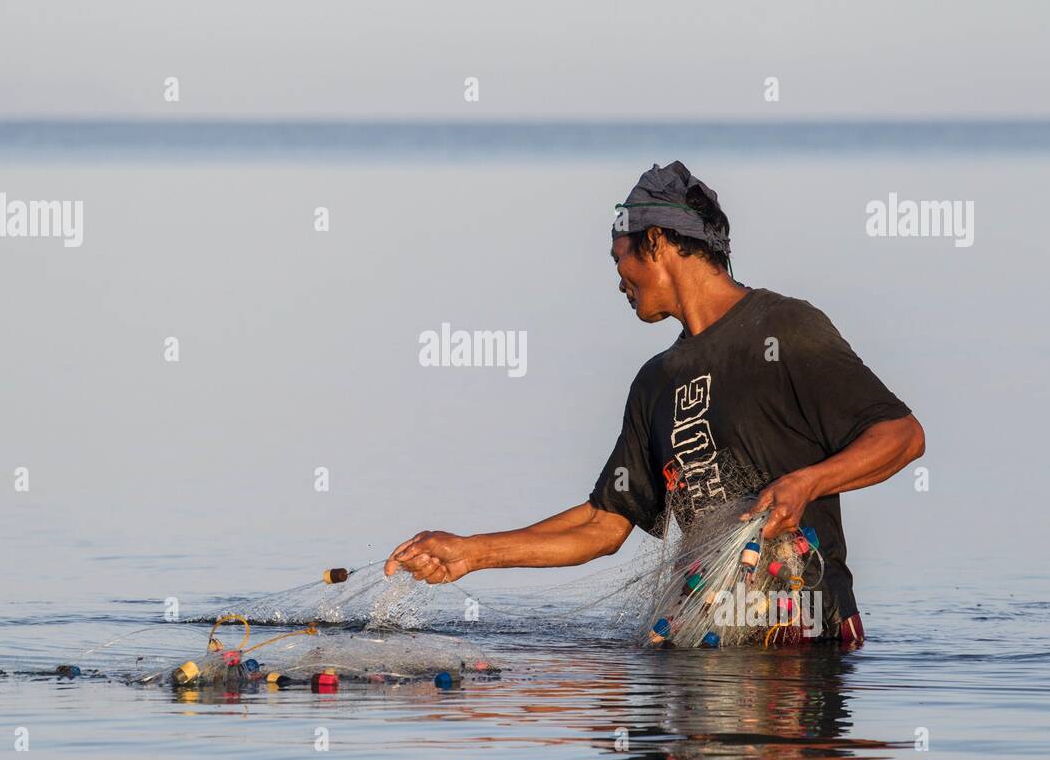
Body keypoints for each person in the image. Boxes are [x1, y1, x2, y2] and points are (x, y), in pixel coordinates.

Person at [385, 162, 924, 643]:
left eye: (619, 255)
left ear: (659, 241)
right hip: (709, 641)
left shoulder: (784, 330)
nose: (618, 278)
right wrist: (471, 553)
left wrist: (807, 483)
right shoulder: (655, 382)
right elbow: (604, 524)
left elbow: (901, 436)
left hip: (805, 639)